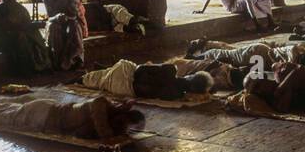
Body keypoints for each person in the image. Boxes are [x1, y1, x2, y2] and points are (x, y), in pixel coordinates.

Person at [0, 94, 143, 140]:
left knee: (12, 112)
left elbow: (82, 133)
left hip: (48, 115)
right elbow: (104, 133)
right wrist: (120, 133)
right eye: (123, 122)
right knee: (4, 118)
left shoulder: (107, 117)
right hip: (45, 114)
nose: (122, 126)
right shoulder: (100, 103)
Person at [0, 0, 52, 74]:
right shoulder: (2, 8)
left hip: (13, 35)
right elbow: (8, 28)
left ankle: (42, 64)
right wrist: (32, 26)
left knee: (34, 34)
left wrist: (36, 25)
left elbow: (24, 23)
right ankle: (26, 69)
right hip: (1, 40)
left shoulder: (17, 7)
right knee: (22, 37)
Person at [80, 59, 214, 99]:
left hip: (124, 78)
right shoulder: (176, 95)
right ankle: (101, 70)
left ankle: (83, 77)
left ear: (190, 76)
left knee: (120, 68)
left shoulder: (171, 69)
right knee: (102, 76)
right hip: (127, 90)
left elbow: (141, 69)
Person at [43, 0, 87, 70]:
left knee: (74, 26)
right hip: (55, 22)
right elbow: (50, 16)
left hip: (70, 21)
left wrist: (70, 11)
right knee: (54, 27)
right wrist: (58, 17)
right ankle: (57, 61)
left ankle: (75, 59)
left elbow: (74, 14)